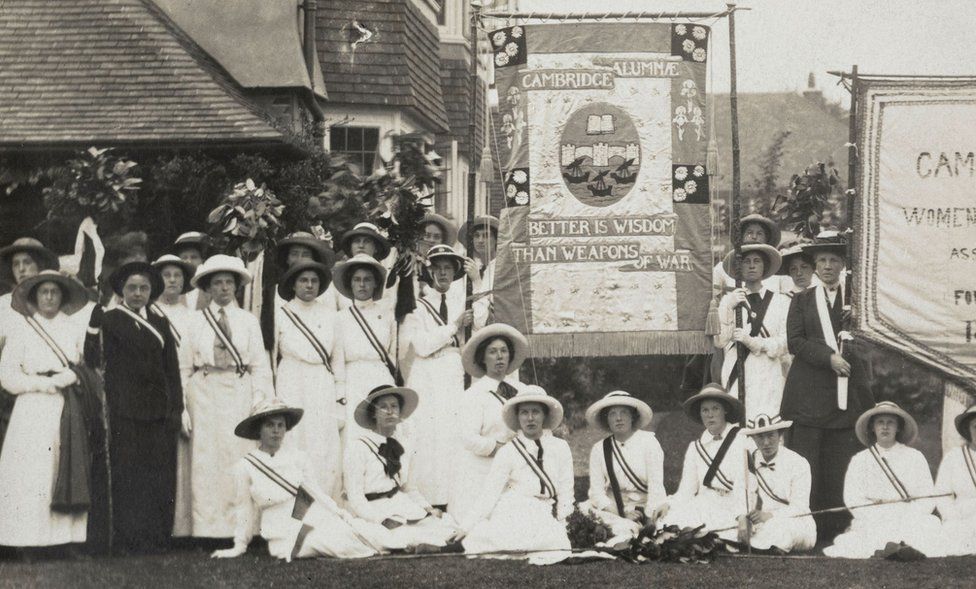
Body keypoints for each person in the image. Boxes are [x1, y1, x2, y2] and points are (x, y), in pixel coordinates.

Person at [780, 230, 874, 542]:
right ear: (815, 266)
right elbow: (795, 342)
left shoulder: (857, 302)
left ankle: (839, 524)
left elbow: (869, 340)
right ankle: (809, 526)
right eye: (822, 260)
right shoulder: (802, 300)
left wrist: (853, 343)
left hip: (846, 394)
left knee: (841, 462)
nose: (828, 266)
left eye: (834, 260)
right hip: (809, 392)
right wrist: (828, 358)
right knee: (808, 461)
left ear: (843, 264)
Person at [212, 399, 390, 561]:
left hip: (309, 516)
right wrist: (239, 545)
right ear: (259, 429)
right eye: (270, 425)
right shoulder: (246, 465)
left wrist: (340, 513)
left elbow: (316, 493)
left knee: (357, 529)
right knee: (335, 541)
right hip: (280, 531)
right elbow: (244, 508)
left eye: (280, 425)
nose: (276, 430)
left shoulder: (298, 458)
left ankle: (406, 542)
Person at [84, 261, 182, 553]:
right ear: (122, 291)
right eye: (132, 288)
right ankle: (126, 538)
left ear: (151, 291)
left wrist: (176, 408)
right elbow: (92, 359)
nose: (138, 293)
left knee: (157, 475)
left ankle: (154, 537)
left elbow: (171, 368)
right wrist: (92, 326)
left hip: (157, 410)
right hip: (123, 409)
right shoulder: (110, 317)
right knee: (128, 475)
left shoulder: (160, 320)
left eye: (144, 288)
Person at [179, 255, 273, 539]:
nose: (223, 288)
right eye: (217, 283)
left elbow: (259, 365)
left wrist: (260, 400)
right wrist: (183, 407)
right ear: (207, 287)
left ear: (236, 286)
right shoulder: (194, 321)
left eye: (228, 283)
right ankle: (208, 529)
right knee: (207, 461)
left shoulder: (247, 321)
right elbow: (183, 366)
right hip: (204, 393)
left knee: (240, 457)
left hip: (239, 391)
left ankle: (243, 528)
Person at [0, 271, 91, 549]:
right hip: (31, 409)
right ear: (35, 297)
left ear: (62, 296)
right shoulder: (22, 329)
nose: (49, 297)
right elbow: (7, 376)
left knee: (62, 468)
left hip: (66, 407)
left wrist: (70, 377)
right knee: (31, 473)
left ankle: (66, 540)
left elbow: (83, 367)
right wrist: (42, 383)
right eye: (44, 292)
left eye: (55, 292)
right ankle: (25, 541)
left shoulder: (73, 328)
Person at [452, 385, 574, 554]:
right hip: (516, 507)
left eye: (535, 412)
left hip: (546, 508)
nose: (530, 418)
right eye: (524, 412)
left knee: (555, 539)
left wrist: (564, 520)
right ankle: (462, 541)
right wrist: (465, 527)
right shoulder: (508, 451)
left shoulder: (560, 447)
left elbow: (567, 488)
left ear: (544, 415)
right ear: (517, 417)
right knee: (506, 536)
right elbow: (489, 493)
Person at [343, 385, 459, 549]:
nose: (390, 411)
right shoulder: (357, 447)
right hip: (374, 509)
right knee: (396, 534)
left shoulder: (402, 445)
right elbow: (355, 498)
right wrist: (381, 520)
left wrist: (428, 508)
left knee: (444, 525)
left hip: (401, 503)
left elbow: (409, 488)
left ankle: (434, 545)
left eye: (394, 406)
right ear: (373, 414)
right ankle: (424, 545)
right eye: (383, 407)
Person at [402, 244, 473, 509]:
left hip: (452, 372)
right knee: (426, 436)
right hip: (426, 374)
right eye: (438, 268)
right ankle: (426, 499)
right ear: (429, 271)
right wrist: (454, 326)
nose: (443, 273)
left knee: (452, 434)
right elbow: (421, 345)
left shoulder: (461, 302)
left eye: (448, 268)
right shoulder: (417, 306)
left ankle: (451, 499)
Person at [824, 402, 944, 558]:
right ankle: (894, 548)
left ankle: (900, 549)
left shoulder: (915, 457)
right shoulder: (860, 459)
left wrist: (909, 515)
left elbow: (927, 496)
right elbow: (852, 498)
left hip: (907, 514)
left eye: (890, 423)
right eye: (880, 422)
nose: (885, 427)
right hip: (874, 515)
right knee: (863, 533)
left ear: (898, 427)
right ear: (872, 427)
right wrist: (875, 515)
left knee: (930, 524)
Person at [274, 261, 345, 498]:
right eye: (303, 280)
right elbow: (273, 357)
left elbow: (337, 360)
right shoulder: (281, 314)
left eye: (314, 281)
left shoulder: (331, 316)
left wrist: (340, 398)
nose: (309, 285)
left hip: (321, 384)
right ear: (293, 284)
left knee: (322, 445)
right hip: (291, 380)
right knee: (294, 441)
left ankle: (324, 510)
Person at [450, 323, 528, 523]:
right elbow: (468, 439)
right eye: (492, 352)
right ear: (482, 358)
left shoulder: (523, 390)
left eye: (503, 351)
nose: (499, 356)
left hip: (518, 467)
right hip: (484, 469)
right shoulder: (473, 395)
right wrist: (501, 449)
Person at [652, 383, 747, 540]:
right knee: (667, 522)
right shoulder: (695, 447)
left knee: (723, 529)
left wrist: (742, 514)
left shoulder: (742, 439)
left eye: (715, 408)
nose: (710, 415)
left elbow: (744, 484)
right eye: (705, 410)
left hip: (733, 503)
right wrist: (668, 504)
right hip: (705, 502)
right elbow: (686, 490)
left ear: (725, 410)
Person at [714, 243, 790, 420]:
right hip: (737, 367)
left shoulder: (780, 301)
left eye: (757, 261)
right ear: (738, 267)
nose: (752, 265)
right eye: (746, 261)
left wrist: (756, 343)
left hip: (769, 370)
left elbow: (787, 341)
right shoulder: (729, 300)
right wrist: (728, 307)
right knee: (739, 421)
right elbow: (719, 341)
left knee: (768, 421)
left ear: (765, 267)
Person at [150, 254, 196, 538]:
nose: (172, 280)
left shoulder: (194, 316)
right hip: (161, 385)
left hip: (190, 385)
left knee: (189, 455)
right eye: (166, 275)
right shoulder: (150, 314)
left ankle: (188, 526)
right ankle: (166, 526)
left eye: (177, 275)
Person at [580, 391, 666, 544]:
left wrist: (649, 517)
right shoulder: (599, 449)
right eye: (612, 413)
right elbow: (596, 492)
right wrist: (621, 513)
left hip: (647, 505)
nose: (618, 418)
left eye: (624, 412)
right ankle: (626, 530)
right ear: (607, 419)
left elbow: (656, 485)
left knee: (668, 520)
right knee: (584, 510)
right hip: (615, 508)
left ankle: (628, 532)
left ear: (633, 416)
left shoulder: (649, 443)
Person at [0, 238, 60, 452]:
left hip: (49, 390)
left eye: (28, 262)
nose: (22, 269)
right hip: (7, 394)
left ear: (41, 265)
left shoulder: (54, 303)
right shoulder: (3, 305)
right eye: (16, 264)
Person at [333, 254, 398, 443]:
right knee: (355, 435)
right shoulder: (339, 318)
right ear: (350, 284)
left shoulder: (386, 315)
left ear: (375, 284)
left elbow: (392, 354)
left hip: (380, 378)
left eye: (367, 280)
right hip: (353, 380)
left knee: (383, 434)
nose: (362, 285)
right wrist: (340, 395)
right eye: (357, 280)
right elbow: (337, 361)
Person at [736, 414, 816, 552]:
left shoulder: (798, 463)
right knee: (731, 526)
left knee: (784, 530)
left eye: (771, 435)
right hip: (758, 522)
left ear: (780, 435)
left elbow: (800, 507)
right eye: (760, 437)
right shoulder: (748, 462)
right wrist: (743, 517)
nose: (766, 442)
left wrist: (769, 516)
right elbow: (741, 495)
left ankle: (765, 546)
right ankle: (763, 545)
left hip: (793, 520)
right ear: (753, 438)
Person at [934, 404, 976, 556]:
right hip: (962, 514)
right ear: (967, 430)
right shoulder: (954, 456)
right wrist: (953, 516)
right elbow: (942, 494)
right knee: (953, 532)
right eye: (975, 427)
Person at [170, 231, 212, 311]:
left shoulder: (212, 288)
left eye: (194, 257)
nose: (189, 262)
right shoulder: (171, 288)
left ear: (202, 260)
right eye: (184, 258)